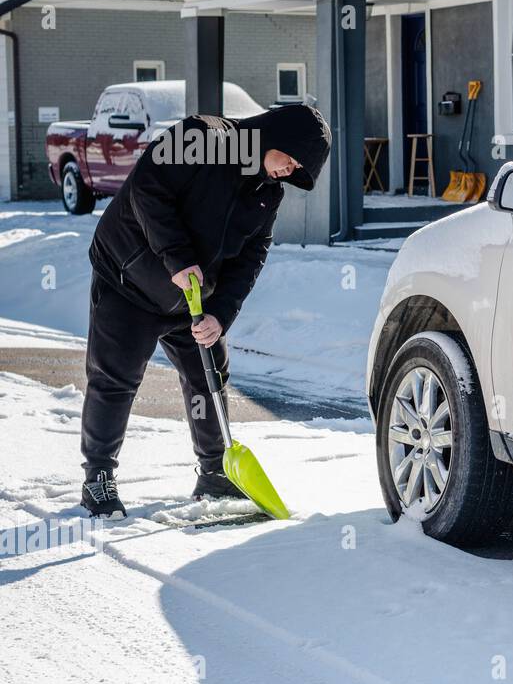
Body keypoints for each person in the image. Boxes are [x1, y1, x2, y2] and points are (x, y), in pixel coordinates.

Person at [79, 104, 331, 518]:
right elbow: (147, 188)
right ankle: (98, 477)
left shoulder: (267, 193)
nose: (289, 170)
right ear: (273, 137)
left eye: (298, 167)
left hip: (192, 300)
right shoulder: (202, 138)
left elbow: (252, 255)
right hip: (128, 278)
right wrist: (176, 260)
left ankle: (215, 469)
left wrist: (219, 314)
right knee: (115, 378)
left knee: (208, 376)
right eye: (290, 158)